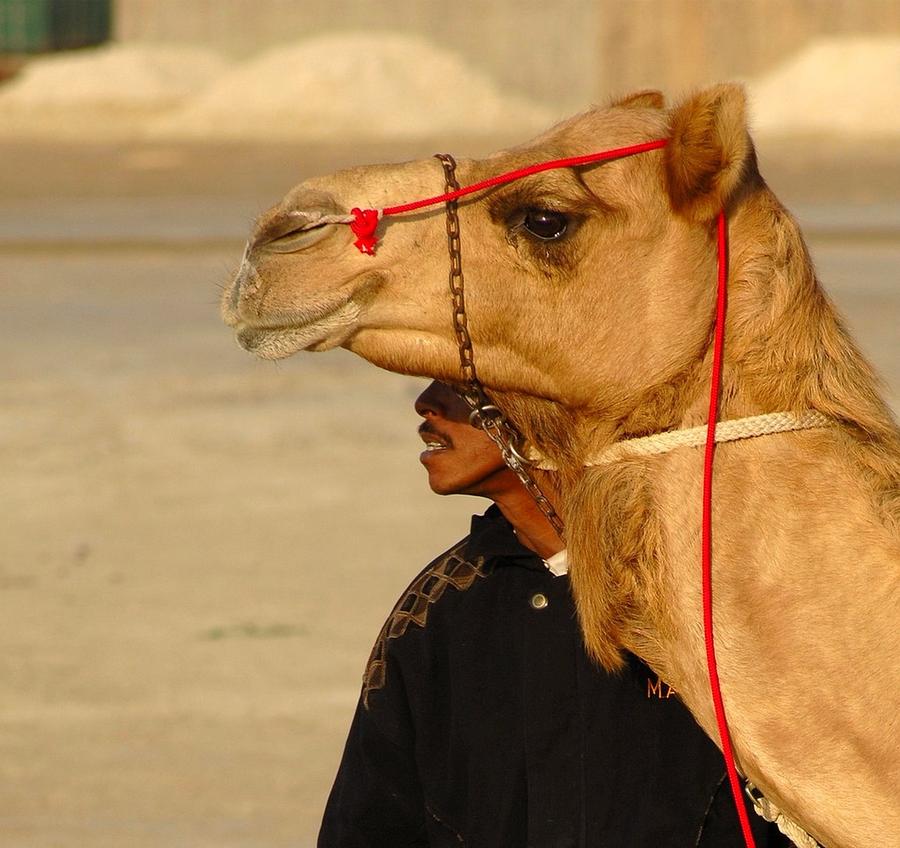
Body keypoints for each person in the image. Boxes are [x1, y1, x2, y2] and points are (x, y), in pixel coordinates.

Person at [318, 381, 790, 847]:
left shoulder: (721, 582)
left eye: (461, 383)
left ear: (546, 401)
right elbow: (367, 825)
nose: (425, 404)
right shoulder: (436, 613)